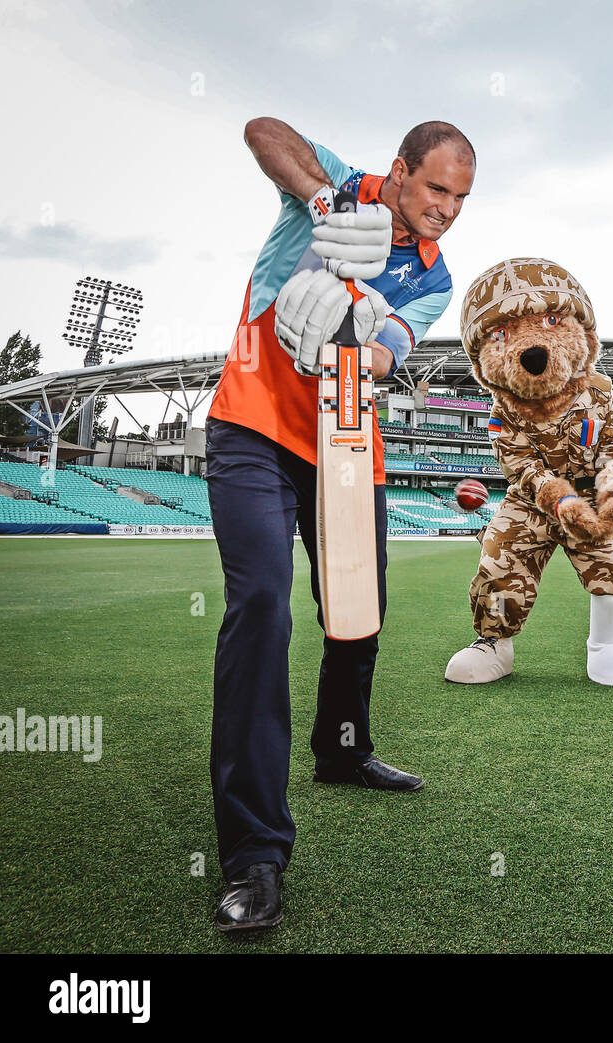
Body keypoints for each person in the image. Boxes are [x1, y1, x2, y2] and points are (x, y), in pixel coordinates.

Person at [203, 116, 475, 931]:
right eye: (435, 188)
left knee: (358, 613)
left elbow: (392, 350)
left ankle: (342, 748)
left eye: (461, 197)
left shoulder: (435, 275)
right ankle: (255, 853)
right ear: (399, 170)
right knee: (263, 606)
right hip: (250, 425)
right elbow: (260, 131)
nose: (447, 209)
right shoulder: (339, 184)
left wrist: (352, 330)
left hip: (346, 440)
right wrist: (323, 203)